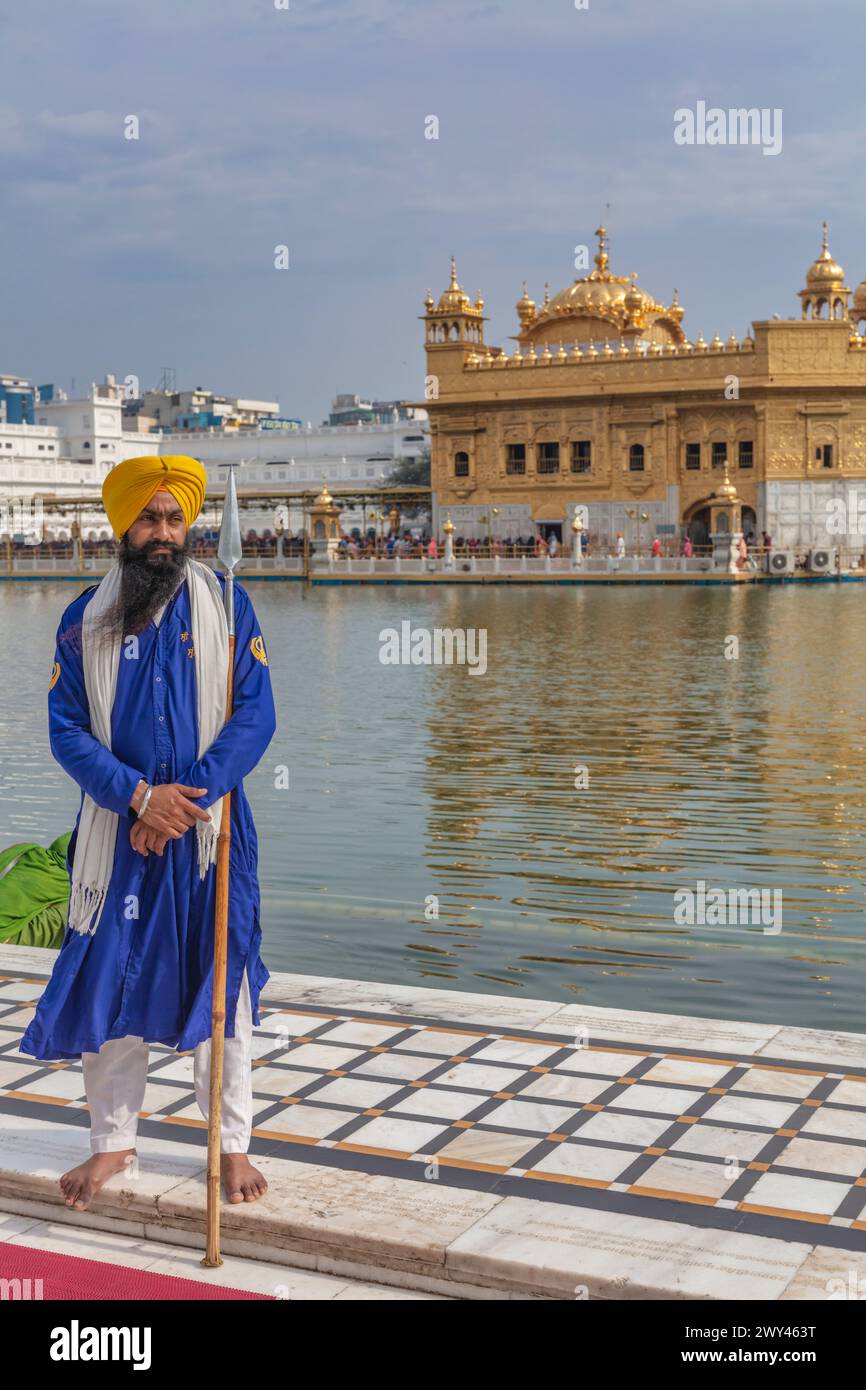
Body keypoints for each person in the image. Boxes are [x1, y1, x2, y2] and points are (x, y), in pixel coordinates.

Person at [20, 454, 276, 1212]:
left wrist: (179, 806)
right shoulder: (83, 619)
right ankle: (113, 1143)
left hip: (208, 834)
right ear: (122, 528)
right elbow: (66, 732)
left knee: (219, 983)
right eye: (149, 519)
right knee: (112, 981)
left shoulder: (229, 607)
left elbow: (254, 717)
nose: (163, 533)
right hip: (116, 832)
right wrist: (137, 799)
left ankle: (230, 1145)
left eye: (174, 519)